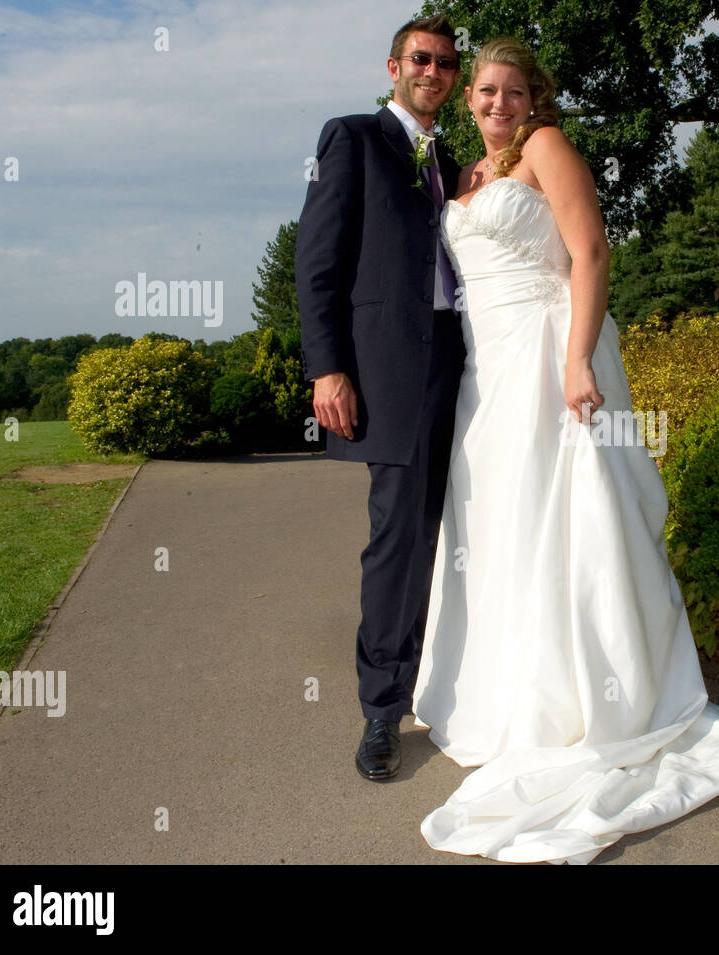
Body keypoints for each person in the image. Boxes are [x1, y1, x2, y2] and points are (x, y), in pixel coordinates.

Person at [411, 36, 719, 864]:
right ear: (467, 98)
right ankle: (508, 692)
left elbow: (591, 252)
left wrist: (574, 358)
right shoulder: (461, 178)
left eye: (512, 91)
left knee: (570, 526)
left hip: (552, 353)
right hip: (487, 375)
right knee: (502, 532)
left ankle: (586, 701)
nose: (498, 103)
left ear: (534, 98)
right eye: (485, 90)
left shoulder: (548, 150)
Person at [295, 14, 465, 782]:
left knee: (452, 531)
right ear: (392, 67)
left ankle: (447, 679)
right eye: (421, 59)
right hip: (391, 375)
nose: (433, 71)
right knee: (397, 539)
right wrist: (327, 368)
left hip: (462, 369)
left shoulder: (454, 158)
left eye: (446, 63)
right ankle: (380, 709)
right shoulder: (354, 140)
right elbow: (317, 263)